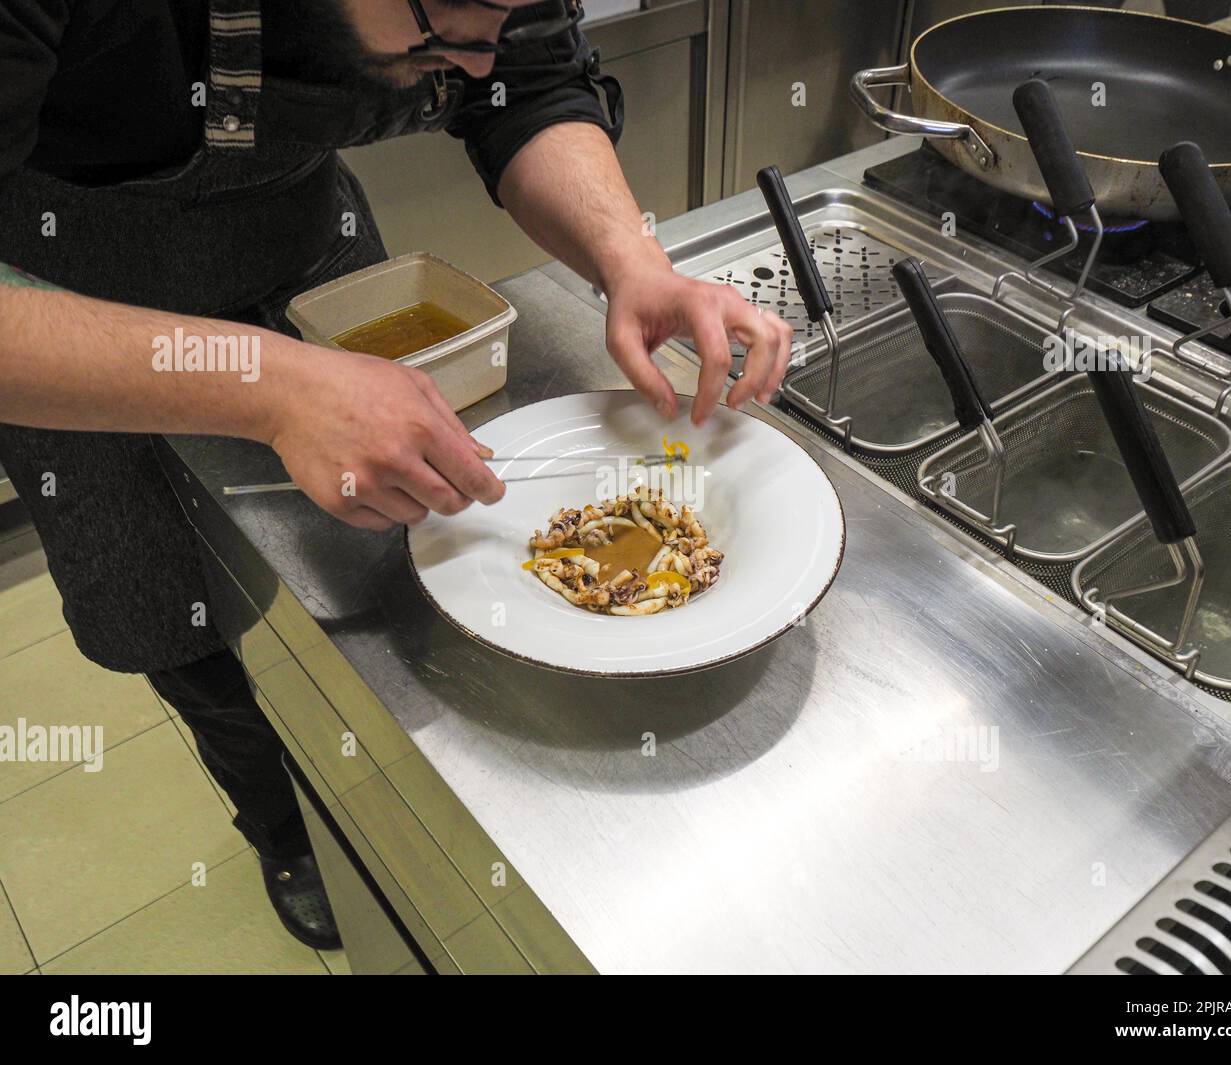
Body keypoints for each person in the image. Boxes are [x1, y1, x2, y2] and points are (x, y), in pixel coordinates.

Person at [0, 0, 793, 950]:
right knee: (181, 618)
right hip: (65, 312)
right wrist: (265, 385)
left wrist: (627, 257)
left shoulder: (477, 21)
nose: (476, 56)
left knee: (390, 596)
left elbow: (526, 83)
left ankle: (375, 798)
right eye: (444, 21)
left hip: (314, 266)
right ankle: (284, 829)